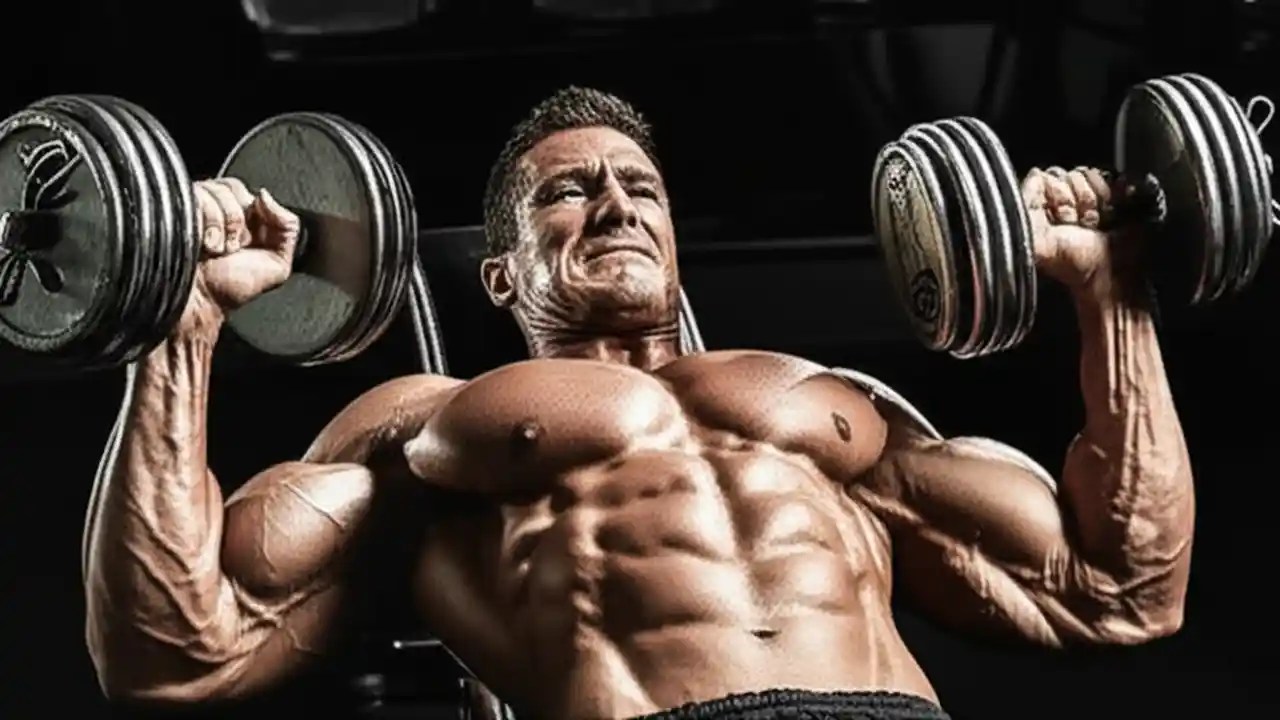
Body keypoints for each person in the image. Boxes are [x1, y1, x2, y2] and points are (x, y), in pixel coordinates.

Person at [82, 86, 1194, 720]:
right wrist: (180, 329)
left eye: (640, 186)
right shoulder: (425, 419)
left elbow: (1117, 588)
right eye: (566, 191)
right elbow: (174, 647)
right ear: (503, 275)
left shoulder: (831, 405)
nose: (614, 201)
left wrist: (1111, 296)